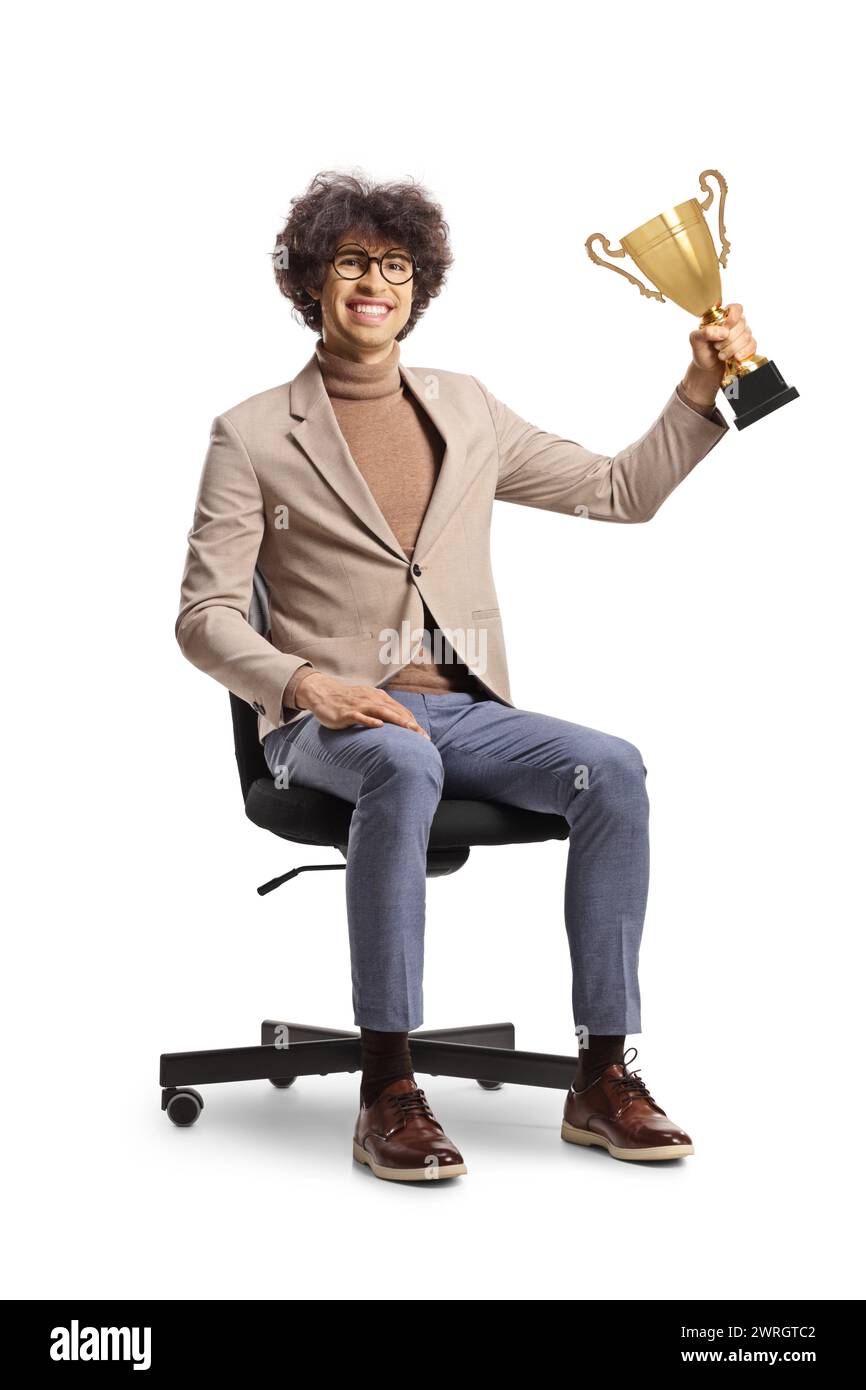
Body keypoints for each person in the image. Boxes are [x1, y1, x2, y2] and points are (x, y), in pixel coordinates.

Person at [176, 170, 756, 1181]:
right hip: (324, 720)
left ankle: (602, 1070)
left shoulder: (468, 410)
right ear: (313, 281)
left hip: (462, 709)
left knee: (611, 768)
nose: (375, 281)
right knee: (399, 766)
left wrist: (700, 389)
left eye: (395, 265)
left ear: (417, 287)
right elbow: (205, 615)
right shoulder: (253, 432)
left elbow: (618, 492)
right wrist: (303, 682)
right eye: (354, 261)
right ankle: (387, 1085)